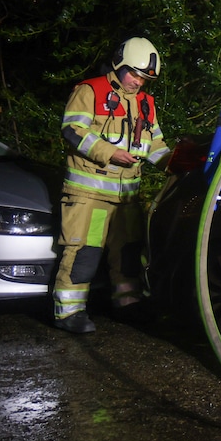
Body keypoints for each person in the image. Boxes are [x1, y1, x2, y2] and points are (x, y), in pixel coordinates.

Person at [53, 37, 171, 333]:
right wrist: (110, 153)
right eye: (135, 74)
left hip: (128, 197)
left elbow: (154, 143)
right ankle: (69, 312)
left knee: (130, 252)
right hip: (91, 195)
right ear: (120, 64)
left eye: (144, 78)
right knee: (85, 252)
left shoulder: (146, 103)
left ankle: (128, 303)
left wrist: (174, 163)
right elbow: (72, 130)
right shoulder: (90, 91)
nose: (138, 83)